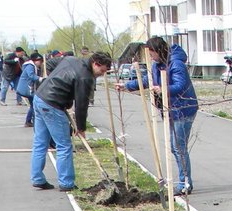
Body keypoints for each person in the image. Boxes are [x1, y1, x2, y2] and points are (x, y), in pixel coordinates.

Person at [117, 36, 198, 196]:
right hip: (169, 110)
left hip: (183, 109)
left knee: (178, 147)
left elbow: (180, 85)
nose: (151, 57)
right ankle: (184, 180)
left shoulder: (176, 64)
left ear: (158, 51)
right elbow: (148, 80)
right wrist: (127, 85)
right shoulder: (157, 65)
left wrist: (162, 88)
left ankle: (185, 183)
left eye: (151, 53)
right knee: (176, 147)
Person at [30, 51, 112, 191]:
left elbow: (50, 63)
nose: (101, 74)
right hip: (52, 105)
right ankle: (66, 183)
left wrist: (53, 81)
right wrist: (81, 128)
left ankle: (37, 178)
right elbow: (81, 105)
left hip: (39, 98)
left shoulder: (70, 59)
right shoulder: (85, 77)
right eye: (102, 70)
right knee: (64, 145)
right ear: (95, 63)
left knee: (40, 142)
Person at [17, 53, 43, 128]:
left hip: (28, 88)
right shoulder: (30, 66)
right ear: (36, 60)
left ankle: (29, 121)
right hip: (27, 89)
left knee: (33, 105)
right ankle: (31, 121)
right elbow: (31, 76)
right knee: (34, 105)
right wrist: (40, 79)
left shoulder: (31, 66)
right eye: (40, 61)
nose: (41, 63)